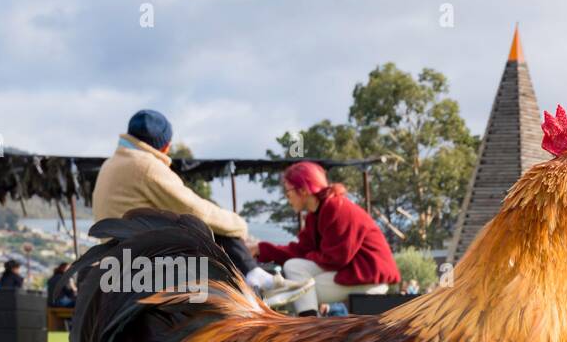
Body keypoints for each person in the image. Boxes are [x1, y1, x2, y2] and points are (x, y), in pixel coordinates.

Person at [92, 109, 305, 300]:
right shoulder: (145, 165)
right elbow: (195, 209)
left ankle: (253, 277)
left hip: (116, 254)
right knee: (216, 226)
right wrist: (238, 224)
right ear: (165, 146)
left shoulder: (111, 164)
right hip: (144, 257)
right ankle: (255, 277)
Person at [250, 161, 400, 316]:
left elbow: (336, 258)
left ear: (303, 190)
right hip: (354, 274)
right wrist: (261, 249)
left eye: (288, 192)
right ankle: (310, 323)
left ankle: (309, 327)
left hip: (367, 278)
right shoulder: (316, 214)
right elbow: (301, 250)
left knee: (297, 288)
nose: (287, 199)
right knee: (294, 271)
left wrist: (310, 255)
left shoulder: (337, 207)